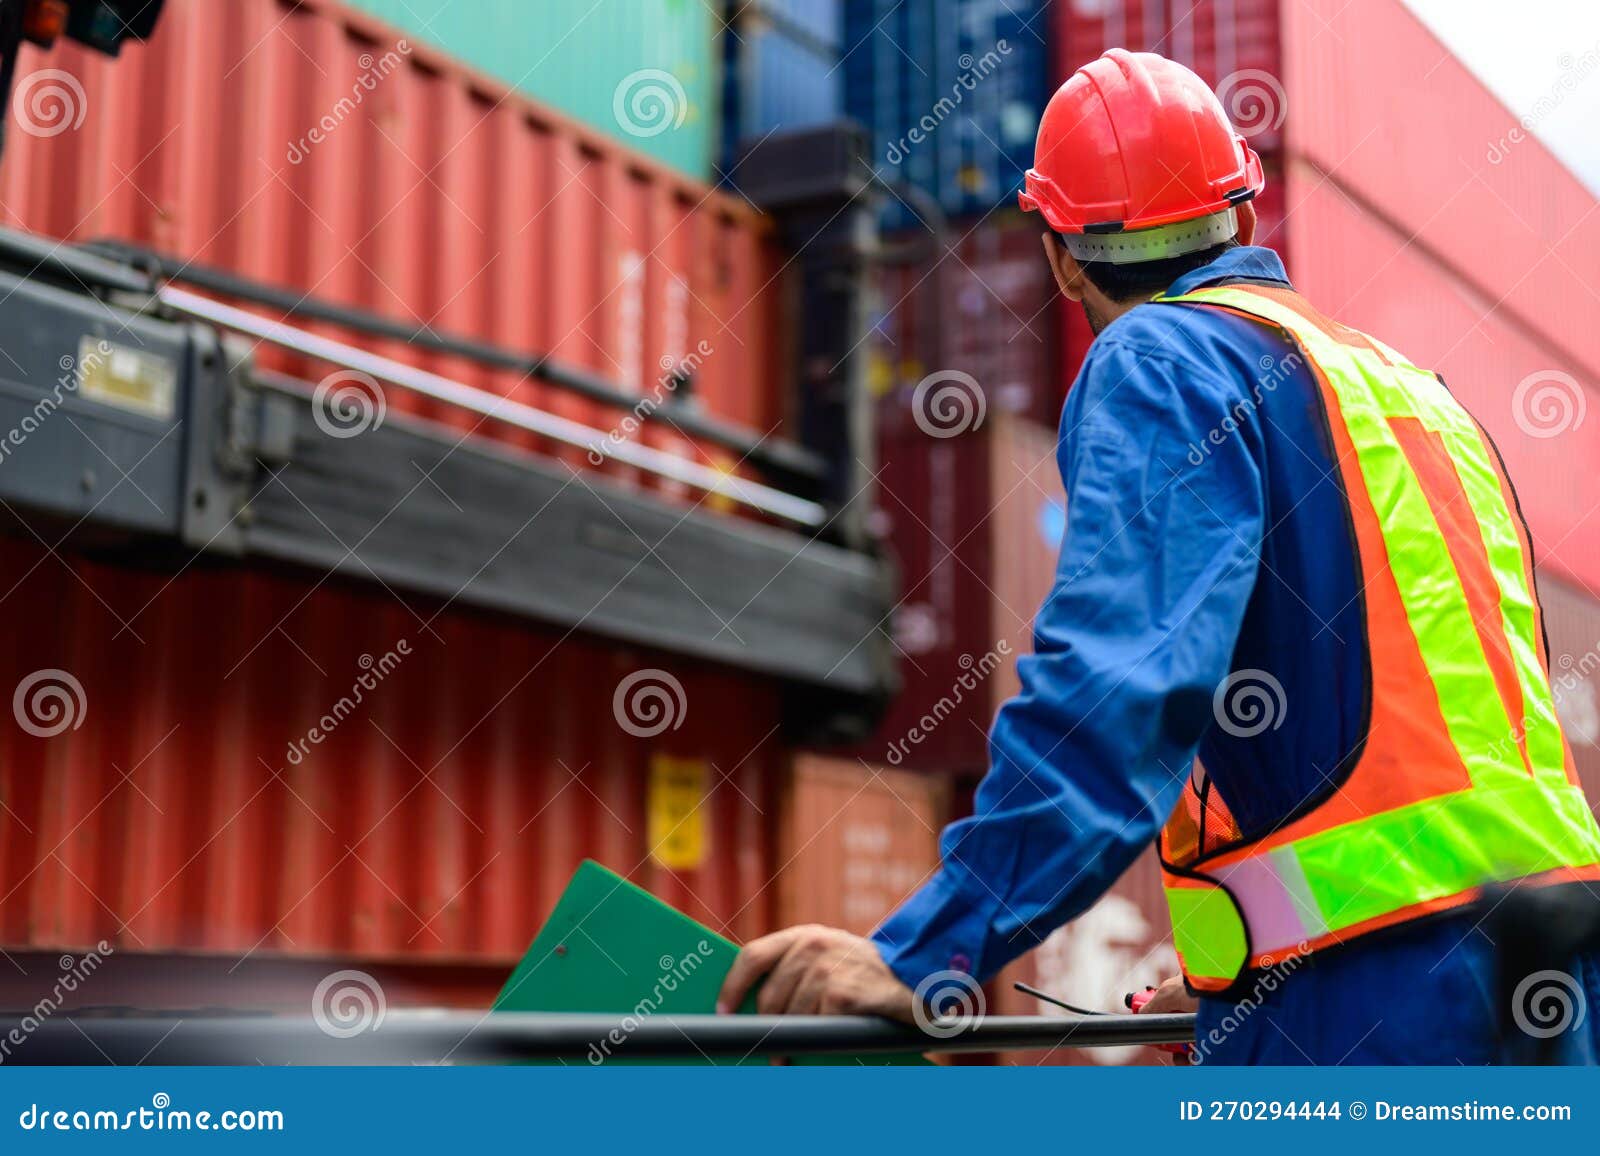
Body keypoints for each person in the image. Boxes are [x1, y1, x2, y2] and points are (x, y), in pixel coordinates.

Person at [717, 49, 1600, 1064]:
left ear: (1062, 260)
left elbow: (1119, 692)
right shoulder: (1417, 393)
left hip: (1377, 1000)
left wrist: (928, 952)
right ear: (1244, 217)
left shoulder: (1163, 358)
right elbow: (1423, 740)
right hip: (1553, 974)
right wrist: (1252, 957)